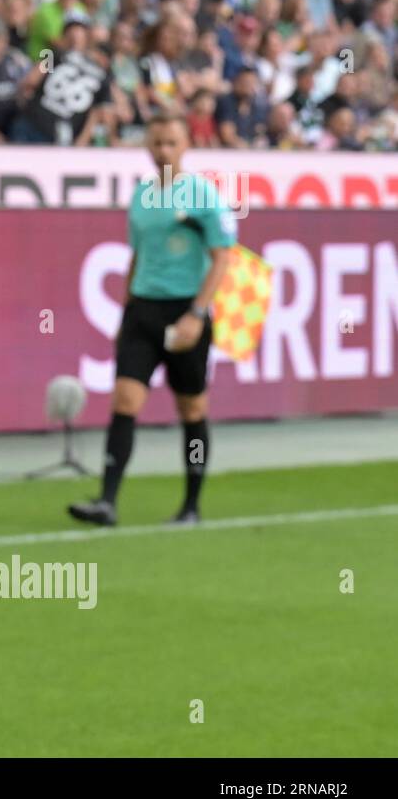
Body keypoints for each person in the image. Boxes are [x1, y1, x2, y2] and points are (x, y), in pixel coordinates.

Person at [68, 112, 236, 527]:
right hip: (143, 309)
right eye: (156, 143)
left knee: (192, 407)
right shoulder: (142, 195)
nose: (163, 151)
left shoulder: (203, 195)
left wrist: (197, 314)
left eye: (171, 143)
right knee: (125, 400)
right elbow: (138, 256)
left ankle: (191, 506)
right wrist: (126, 311)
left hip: (185, 311)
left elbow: (222, 258)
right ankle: (106, 502)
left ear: (185, 146)